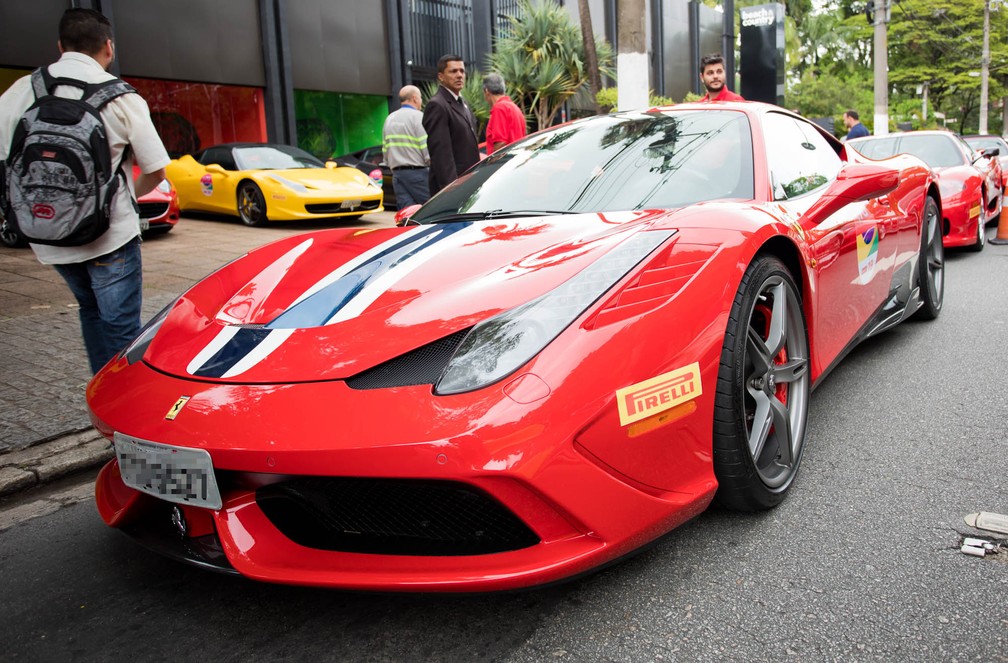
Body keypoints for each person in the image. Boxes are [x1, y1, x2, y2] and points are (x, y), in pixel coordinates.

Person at [0, 8, 170, 374]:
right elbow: (156, 170)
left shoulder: (21, 91)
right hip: (110, 235)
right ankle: (127, 404)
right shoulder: (122, 97)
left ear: (60, 45)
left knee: (89, 310)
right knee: (122, 326)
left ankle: (101, 387)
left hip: (48, 234)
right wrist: (120, 199)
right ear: (108, 48)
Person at [422, 54, 480, 195]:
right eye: (453, 71)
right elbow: (441, 155)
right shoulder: (437, 105)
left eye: (462, 71)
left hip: (470, 183)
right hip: (453, 189)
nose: (459, 75)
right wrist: (451, 192)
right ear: (441, 76)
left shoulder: (464, 103)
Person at [382, 85, 430, 207]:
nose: (421, 102)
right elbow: (427, 147)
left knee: (406, 215)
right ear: (415, 98)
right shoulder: (418, 117)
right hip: (418, 174)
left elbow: (385, 150)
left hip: (397, 175)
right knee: (429, 210)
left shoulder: (389, 119)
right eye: (420, 98)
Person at [482, 73, 526, 155]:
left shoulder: (499, 108)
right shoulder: (514, 107)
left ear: (486, 91)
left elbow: (500, 143)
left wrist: (490, 164)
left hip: (505, 163)